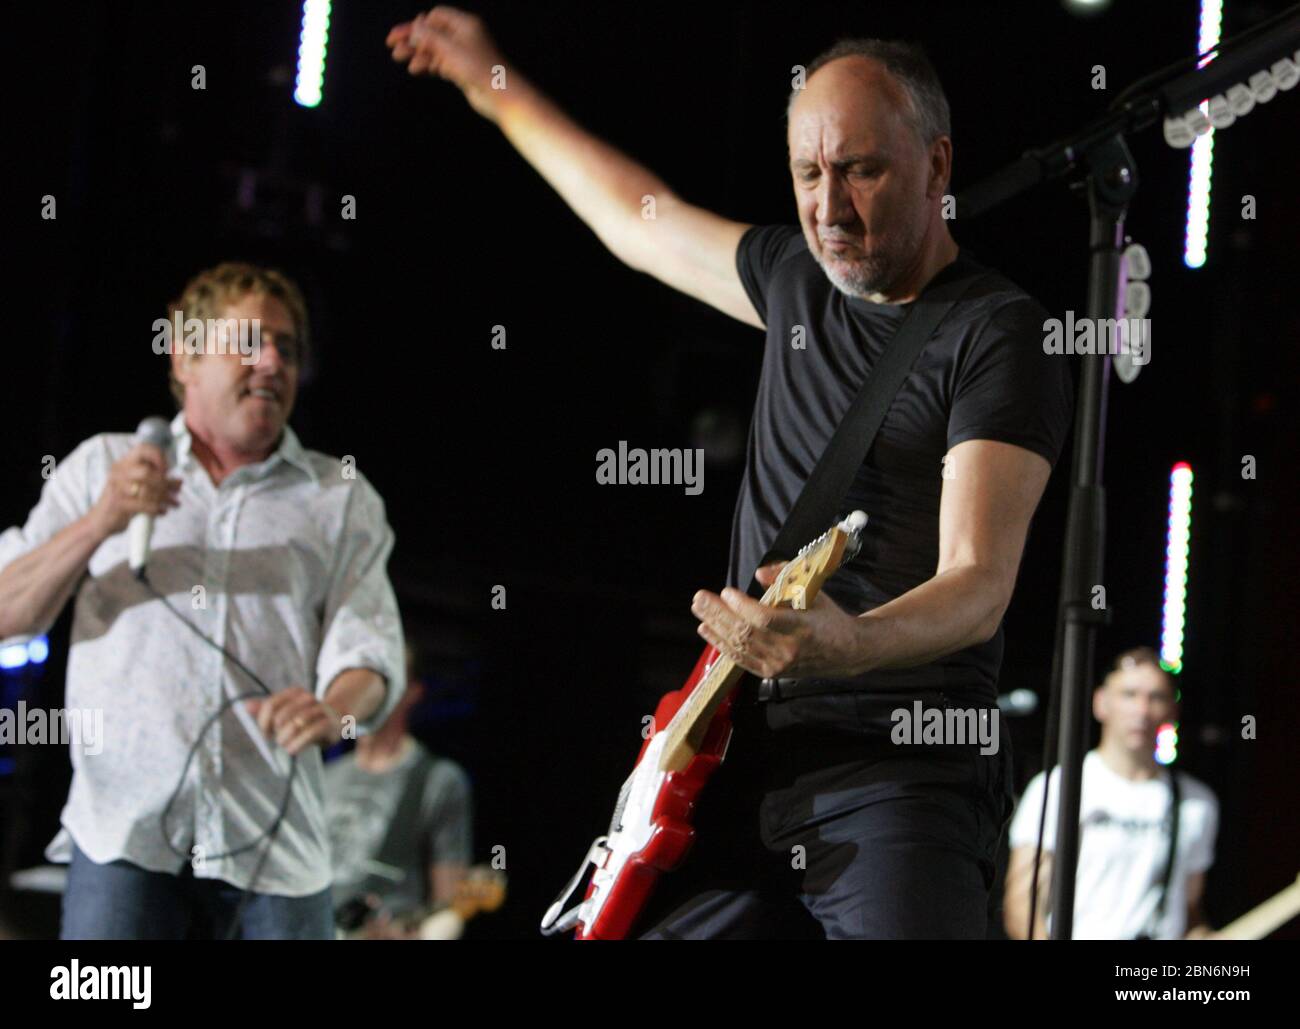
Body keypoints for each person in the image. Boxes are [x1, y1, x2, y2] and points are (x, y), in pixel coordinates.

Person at [389, 9, 1072, 938]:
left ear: (939, 166)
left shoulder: (996, 333)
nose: (829, 207)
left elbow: (978, 584)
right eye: (807, 173)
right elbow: (637, 217)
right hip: (736, 744)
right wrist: (489, 83)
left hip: (898, 767)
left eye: (861, 169)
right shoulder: (792, 276)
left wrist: (848, 644)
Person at [0, 262, 405, 939]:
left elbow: (371, 650)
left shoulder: (340, 498)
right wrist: (100, 521)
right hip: (124, 838)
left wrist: (334, 708)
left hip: (274, 849)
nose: (273, 361)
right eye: (249, 341)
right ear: (185, 355)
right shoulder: (103, 466)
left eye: (287, 347)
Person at [1004, 647, 1219, 940]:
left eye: (1155, 697)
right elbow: (1022, 904)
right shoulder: (1056, 787)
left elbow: (1188, 910)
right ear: (1101, 703)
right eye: (1129, 695)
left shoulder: (1197, 804)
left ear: (1172, 710)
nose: (1141, 710)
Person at [325, 641, 473, 940]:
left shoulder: (438, 780)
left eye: (384, 682)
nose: (370, 694)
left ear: (412, 692)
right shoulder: (327, 775)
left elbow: (450, 906)